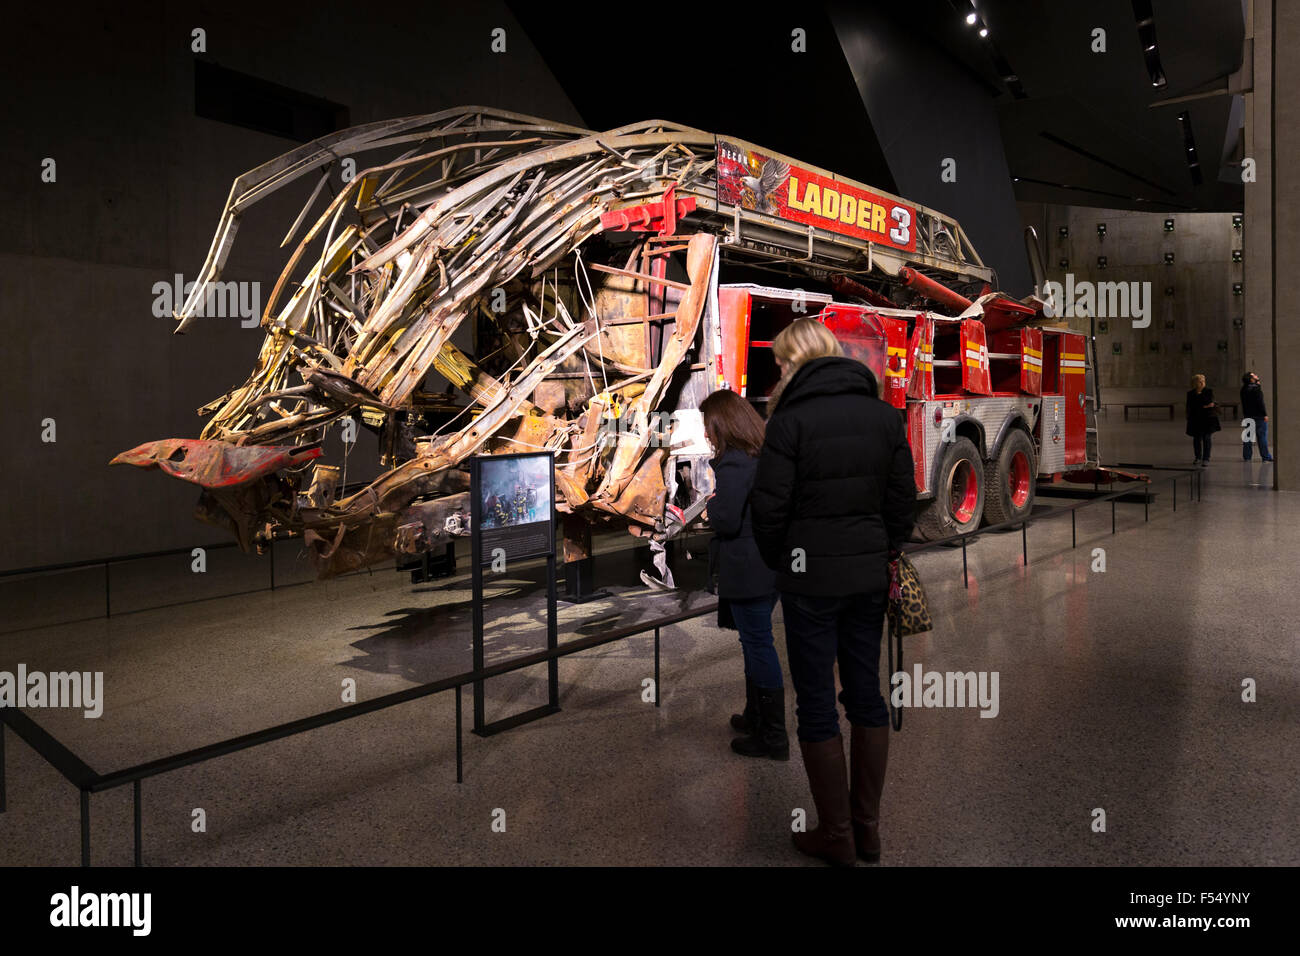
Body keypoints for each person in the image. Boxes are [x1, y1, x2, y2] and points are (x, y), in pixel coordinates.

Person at [751, 318, 916, 866]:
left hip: (810, 583)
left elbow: (769, 511)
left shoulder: (789, 422)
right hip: (867, 578)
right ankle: (867, 830)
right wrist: (881, 551)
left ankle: (836, 835)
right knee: (865, 693)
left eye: (780, 362)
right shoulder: (883, 416)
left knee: (817, 701)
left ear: (796, 360)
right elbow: (902, 503)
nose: (776, 371)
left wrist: (786, 563)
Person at [698, 389, 786, 760]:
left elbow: (729, 520)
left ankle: (773, 736)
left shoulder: (734, 463)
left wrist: (709, 513)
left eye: (709, 426)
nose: (706, 434)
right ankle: (755, 716)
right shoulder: (762, 455)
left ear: (723, 425)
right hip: (770, 566)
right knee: (754, 641)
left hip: (749, 567)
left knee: (758, 645)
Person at [1186, 373, 1221, 466]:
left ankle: (1206, 458)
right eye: (1200, 381)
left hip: (1208, 419)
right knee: (1197, 439)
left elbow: (1209, 403)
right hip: (1195, 419)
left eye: (1203, 381)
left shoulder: (1209, 391)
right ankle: (1198, 457)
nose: (1202, 383)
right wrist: (1204, 406)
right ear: (1195, 383)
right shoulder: (1190, 393)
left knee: (1206, 438)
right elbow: (1191, 406)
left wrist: (1203, 404)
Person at [1240, 372, 1273, 461]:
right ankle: (1265, 457)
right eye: (1254, 375)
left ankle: (1247, 457)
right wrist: (1265, 414)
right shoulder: (1257, 389)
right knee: (1262, 437)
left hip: (1248, 415)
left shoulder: (1243, 389)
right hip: (1259, 416)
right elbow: (1260, 403)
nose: (1256, 375)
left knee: (1248, 438)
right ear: (1251, 379)